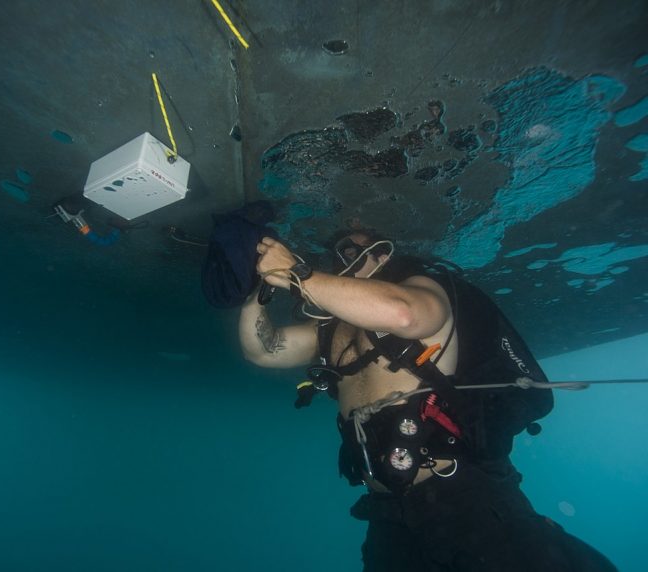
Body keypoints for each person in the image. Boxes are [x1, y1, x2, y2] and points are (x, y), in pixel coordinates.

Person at [238, 230, 617, 572]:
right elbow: (265, 350)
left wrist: (298, 274)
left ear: (385, 254)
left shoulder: (424, 287)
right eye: (338, 248)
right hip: (388, 515)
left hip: (466, 499)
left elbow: (403, 314)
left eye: (358, 247)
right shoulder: (333, 327)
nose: (346, 256)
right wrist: (259, 286)